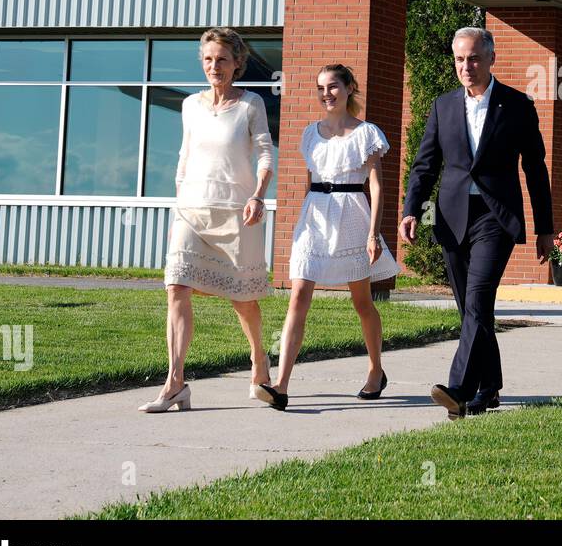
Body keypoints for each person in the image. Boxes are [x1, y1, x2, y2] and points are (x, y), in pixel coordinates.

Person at [400, 27, 555, 420]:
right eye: (458, 59)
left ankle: (459, 389)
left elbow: (536, 170)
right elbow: (425, 165)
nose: (465, 67)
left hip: (495, 217)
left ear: (491, 59)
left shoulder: (517, 105)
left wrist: (545, 228)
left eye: (472, 58)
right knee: (472, 308)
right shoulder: (443, 106)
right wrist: (411, 209)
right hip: (452, 219)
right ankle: (490, 387)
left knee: (479, 298)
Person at [139, 27, 274, 412]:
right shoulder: (190, 106)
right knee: (176, 288)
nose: (215, 66)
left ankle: (259, 359)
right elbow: (184, 158)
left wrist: (258, 196)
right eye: (209, 59)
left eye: (223, 60)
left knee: (242, 299)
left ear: (237, 64)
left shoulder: (250, 105)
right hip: (191, 210)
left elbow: (265, 154)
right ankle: (175, 381)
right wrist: (177, 207)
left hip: (236, 213)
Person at [254, 63, 399, 411]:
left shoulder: (367, 133)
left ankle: (376, 370)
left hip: (352, 215)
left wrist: (373, 233)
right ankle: (281, 385)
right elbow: (308, 183)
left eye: (333, 86)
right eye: (320, 88)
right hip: (314, 218)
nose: (326, 94)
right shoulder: (309, 133)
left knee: (362, 303)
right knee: (298, 296)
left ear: (349, 88)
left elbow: (376, 187)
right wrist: (301, 222)